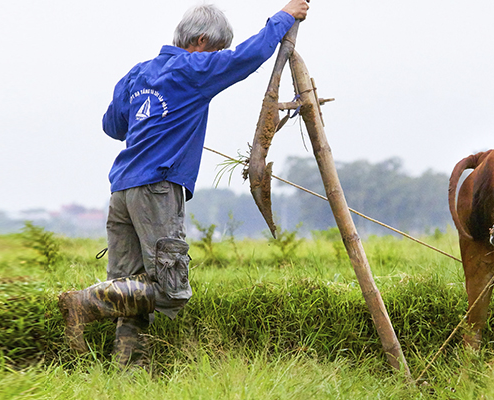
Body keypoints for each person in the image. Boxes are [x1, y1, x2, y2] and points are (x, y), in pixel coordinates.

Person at [58, 0, 311, 368]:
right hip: (157, 190)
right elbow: (249, 56)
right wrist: (284, 17)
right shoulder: (194, 69)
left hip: (121, 192)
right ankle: (84, 303)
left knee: (130, 292)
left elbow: (113, 126)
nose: (219, 58)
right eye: (217, 51)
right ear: (202, 42)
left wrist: (152, 119)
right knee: (170, 291)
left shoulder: (137, 74)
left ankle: (129, 377)